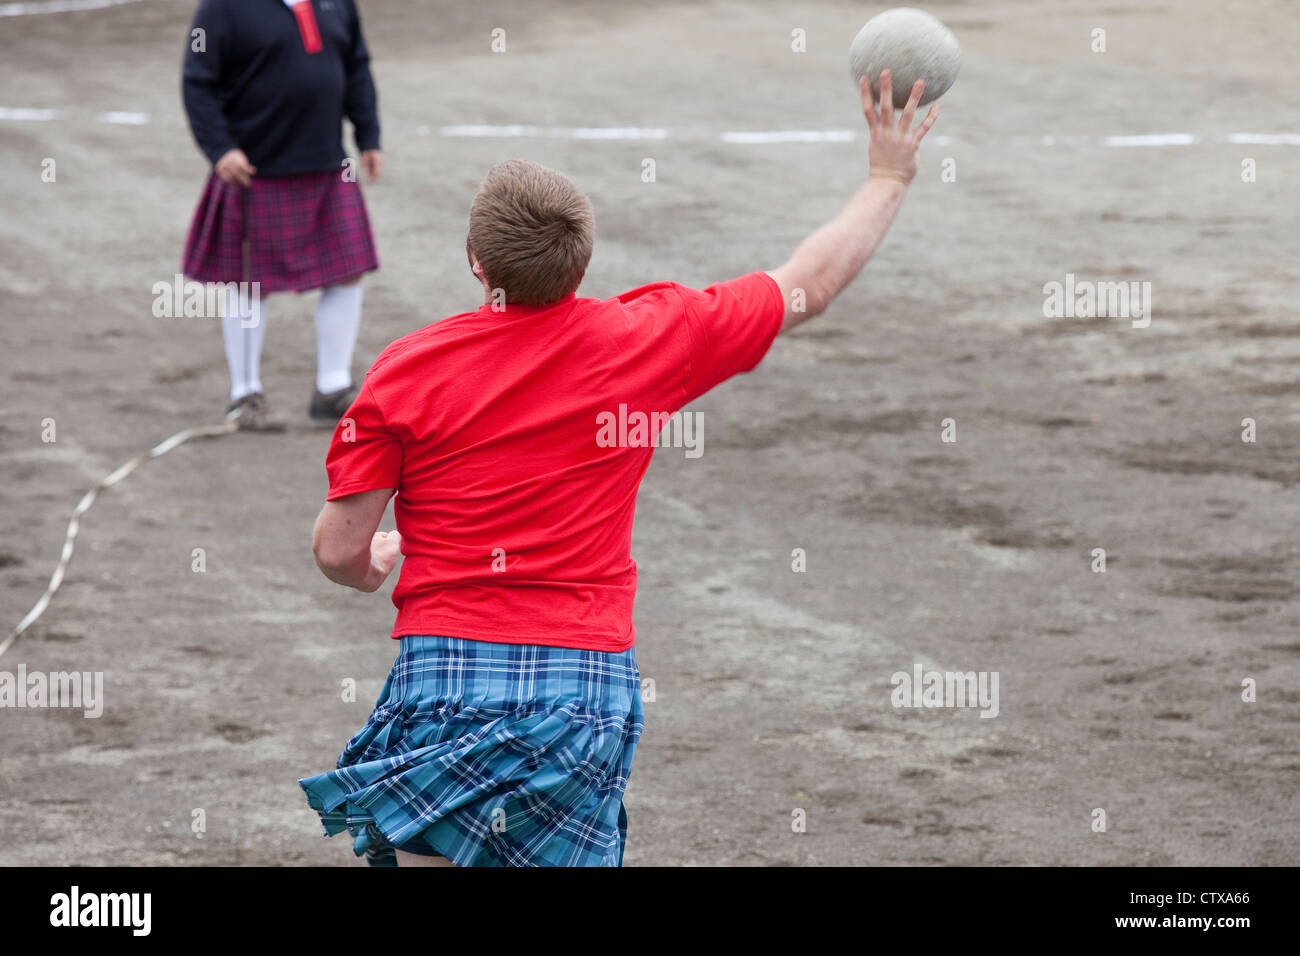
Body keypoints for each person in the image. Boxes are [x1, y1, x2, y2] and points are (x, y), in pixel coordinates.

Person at [299, 72, 939, 866]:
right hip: (581, 686)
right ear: (581, 259)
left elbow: (336, 548)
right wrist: (888, 175)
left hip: (447, 669)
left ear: (476, 261)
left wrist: (370, 567)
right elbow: (809, 285)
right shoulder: (648, 340)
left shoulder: (406, 370)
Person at [181, 0, 383, 430]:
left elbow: (357, 67)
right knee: (250, 284)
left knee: (348, 272)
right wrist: (220, 148)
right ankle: (245, 396)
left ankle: (332, 387)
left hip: (329, 164)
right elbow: (197, 82)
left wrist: (369, 135)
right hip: (255, 170)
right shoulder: (223, 9)